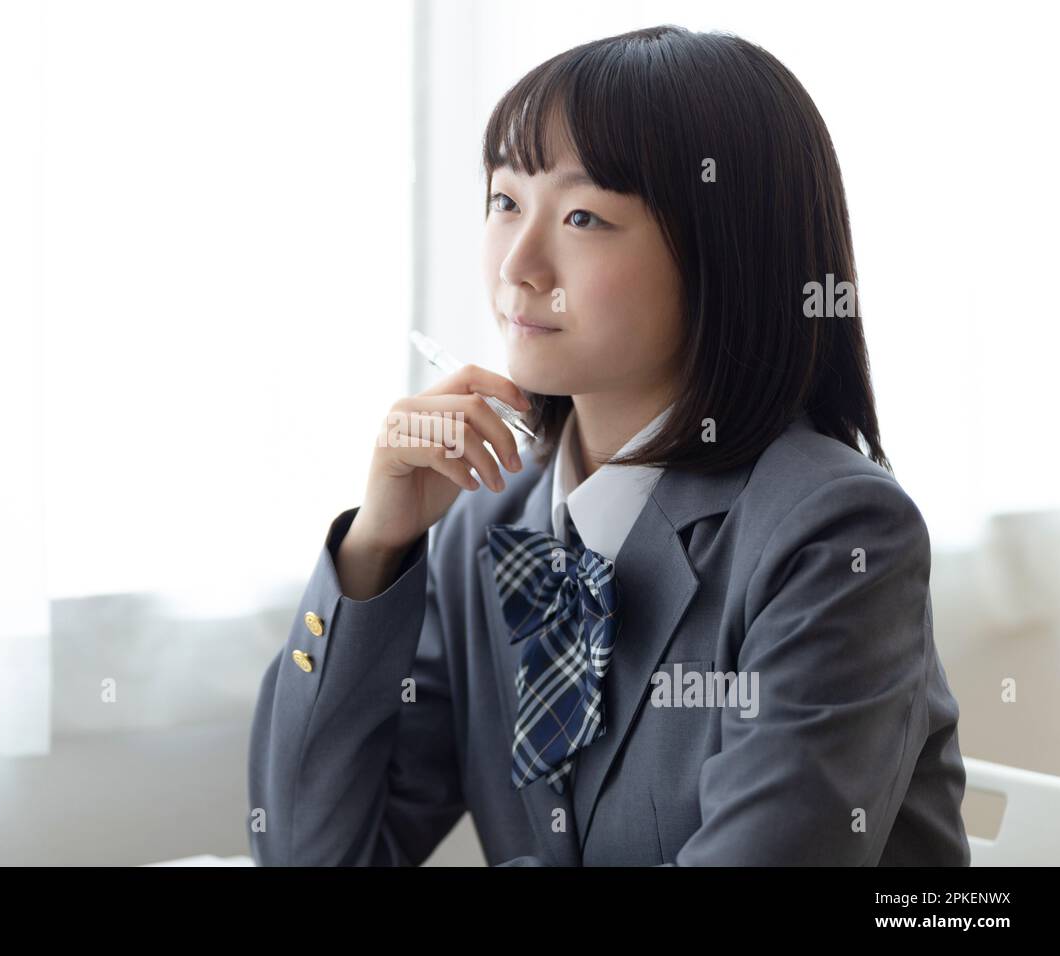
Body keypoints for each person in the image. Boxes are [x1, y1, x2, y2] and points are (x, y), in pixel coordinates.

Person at [247, 24, 971, 866]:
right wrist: (376, 548)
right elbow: (306, 853)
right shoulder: (489, 513)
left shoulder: (836, 531)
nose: (518, 264)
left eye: (585, 216)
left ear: (723, 253)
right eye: (506, 202)